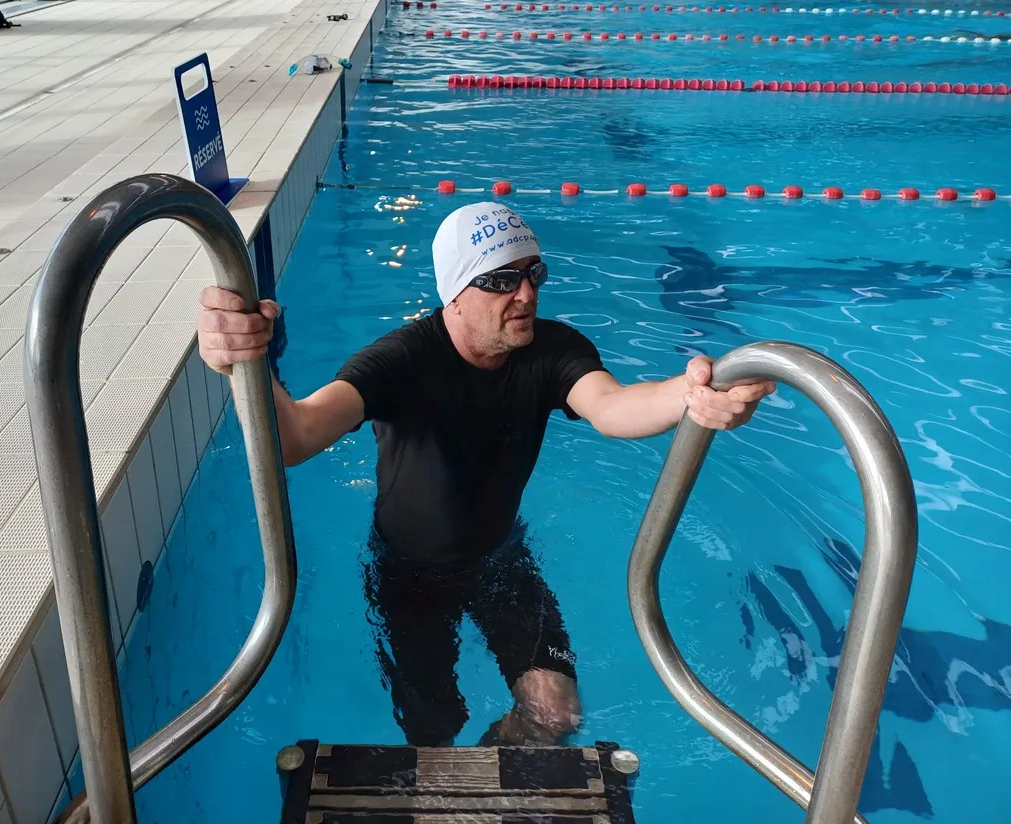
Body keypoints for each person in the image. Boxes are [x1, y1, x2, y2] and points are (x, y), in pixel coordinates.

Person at [196, 202, 775, 748]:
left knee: (556, 714)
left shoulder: (553, 350)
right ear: (454, 293)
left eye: (533, 274)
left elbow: (614, 408)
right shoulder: (399, 362)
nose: (525, 295)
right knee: (434, 730)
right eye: (500, 280)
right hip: (410, 576)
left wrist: (691, 393)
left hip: (501, 560)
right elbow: (294, 438)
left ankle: (493, 772)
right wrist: (241, 365)